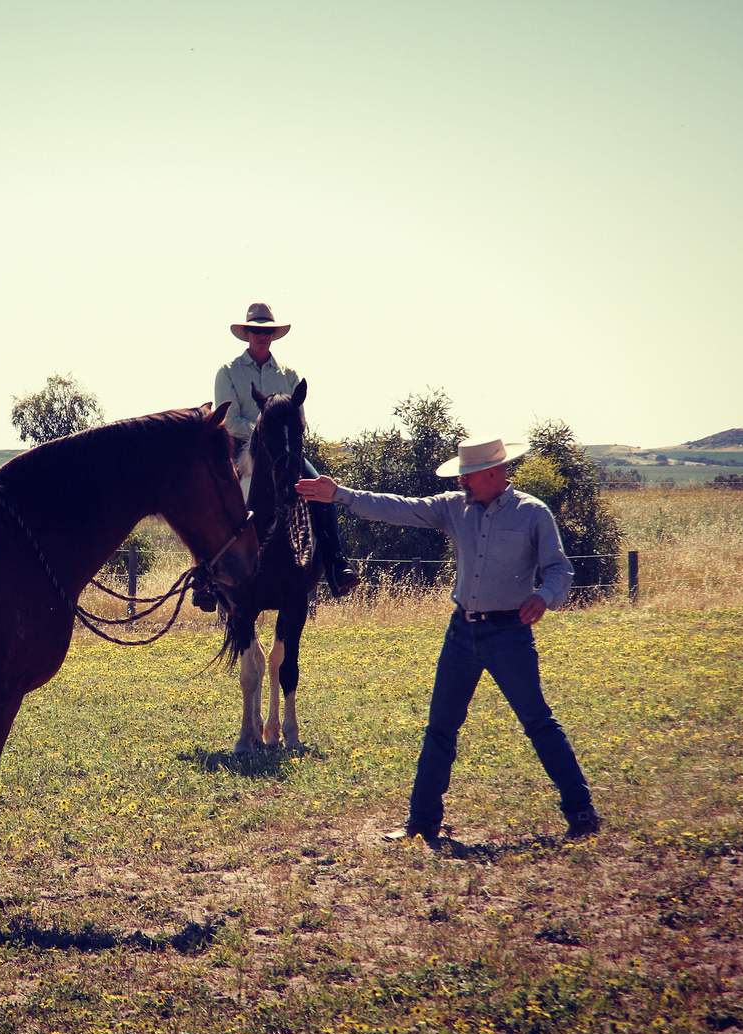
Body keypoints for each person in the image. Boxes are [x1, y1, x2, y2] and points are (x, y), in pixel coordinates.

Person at [295, 437, 599, 846]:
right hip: (462, 632)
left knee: (538, 723)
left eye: (467, 474)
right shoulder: (453, 508)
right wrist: (341, 496)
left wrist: (543, 597)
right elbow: (399, 507)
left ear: (493, 473)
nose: (461, 481)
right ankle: (421, 822)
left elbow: (559, 570)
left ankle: (581, 812)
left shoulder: (533, 514)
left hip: (510, 634)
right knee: (440, 727)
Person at [214, 302, 358, 597]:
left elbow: (299, 419)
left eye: (266, 330)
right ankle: (207, 578)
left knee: (322, 492)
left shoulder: (289, 375)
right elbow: (228, 419)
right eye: (255, 330)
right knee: (211, 499)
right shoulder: (228, 372)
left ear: (273, 335)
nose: (261, 335)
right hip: (244, 450)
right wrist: (264, 432)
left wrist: (280, 437)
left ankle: (336, 563)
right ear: (247, 333)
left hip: (285, 454)